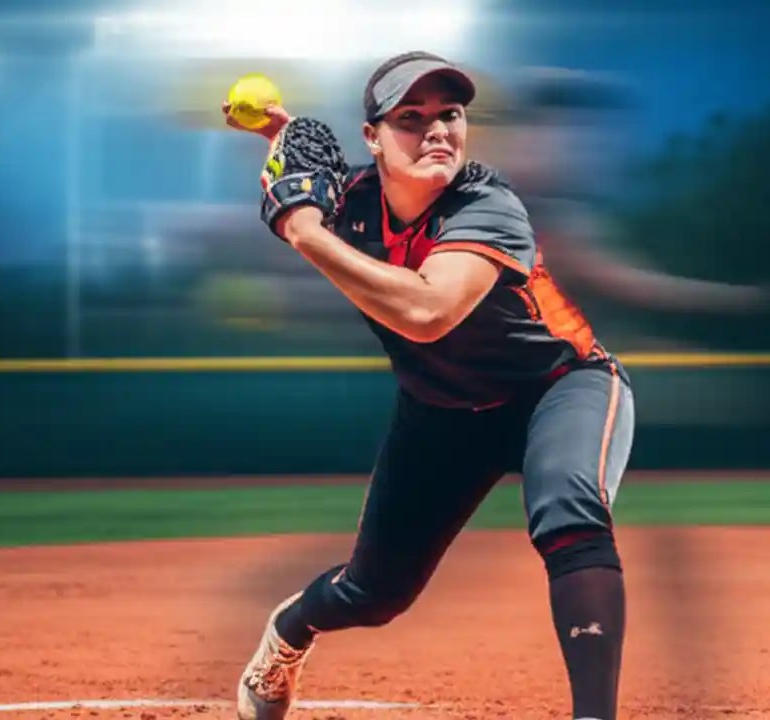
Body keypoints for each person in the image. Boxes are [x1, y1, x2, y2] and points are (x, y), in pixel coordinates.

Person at [221, 51, 635, 720]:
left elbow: (425, 311)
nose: (437, 129)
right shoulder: (350, 202)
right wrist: (283, 138)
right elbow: (313, 177)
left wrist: (302, 230)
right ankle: (290, 631)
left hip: (560, 385)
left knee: (571, 515)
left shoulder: (489, 203)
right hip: (442, 411)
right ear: (372, 138)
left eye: (450, 114)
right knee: (375, 594)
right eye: (410, 118)